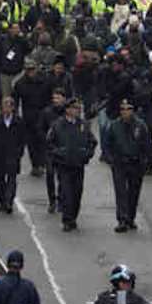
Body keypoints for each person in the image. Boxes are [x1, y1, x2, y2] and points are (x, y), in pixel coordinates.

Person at [102, 99, 152, 232]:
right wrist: (110, 159)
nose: (125, 112)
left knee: (134, 193)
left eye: (128, 109)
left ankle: (130, 218)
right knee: (121, 192)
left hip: (136, 163)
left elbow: (147, 144)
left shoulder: (140, 125)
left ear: (133, 110)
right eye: (122, 109)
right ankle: (122, 220)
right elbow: (106, 144)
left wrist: (146, 161)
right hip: (119, 163)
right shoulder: (114, 125)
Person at [46, 98, 95, 232]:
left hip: (78, 165)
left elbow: (92, 142)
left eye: (78, 108)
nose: (77, 110)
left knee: (77, 193)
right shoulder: (57, 125)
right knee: (66, 192)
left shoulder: (83, 125)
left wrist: (86, 154)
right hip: (64, 165)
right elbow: (49, 143)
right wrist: (58, 153)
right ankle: (67, 220)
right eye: (74, 108)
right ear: (67, 110)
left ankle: (73, 217)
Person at [0, 97, 23, 214]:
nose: (6, 109)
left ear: (13, 108)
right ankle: (2, 200)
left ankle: (9, 201)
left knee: (12, 178)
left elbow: (22, 138)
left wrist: (19, 152)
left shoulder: (18, 121)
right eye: (4, 106)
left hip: (13, 153)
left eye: (9, 106)